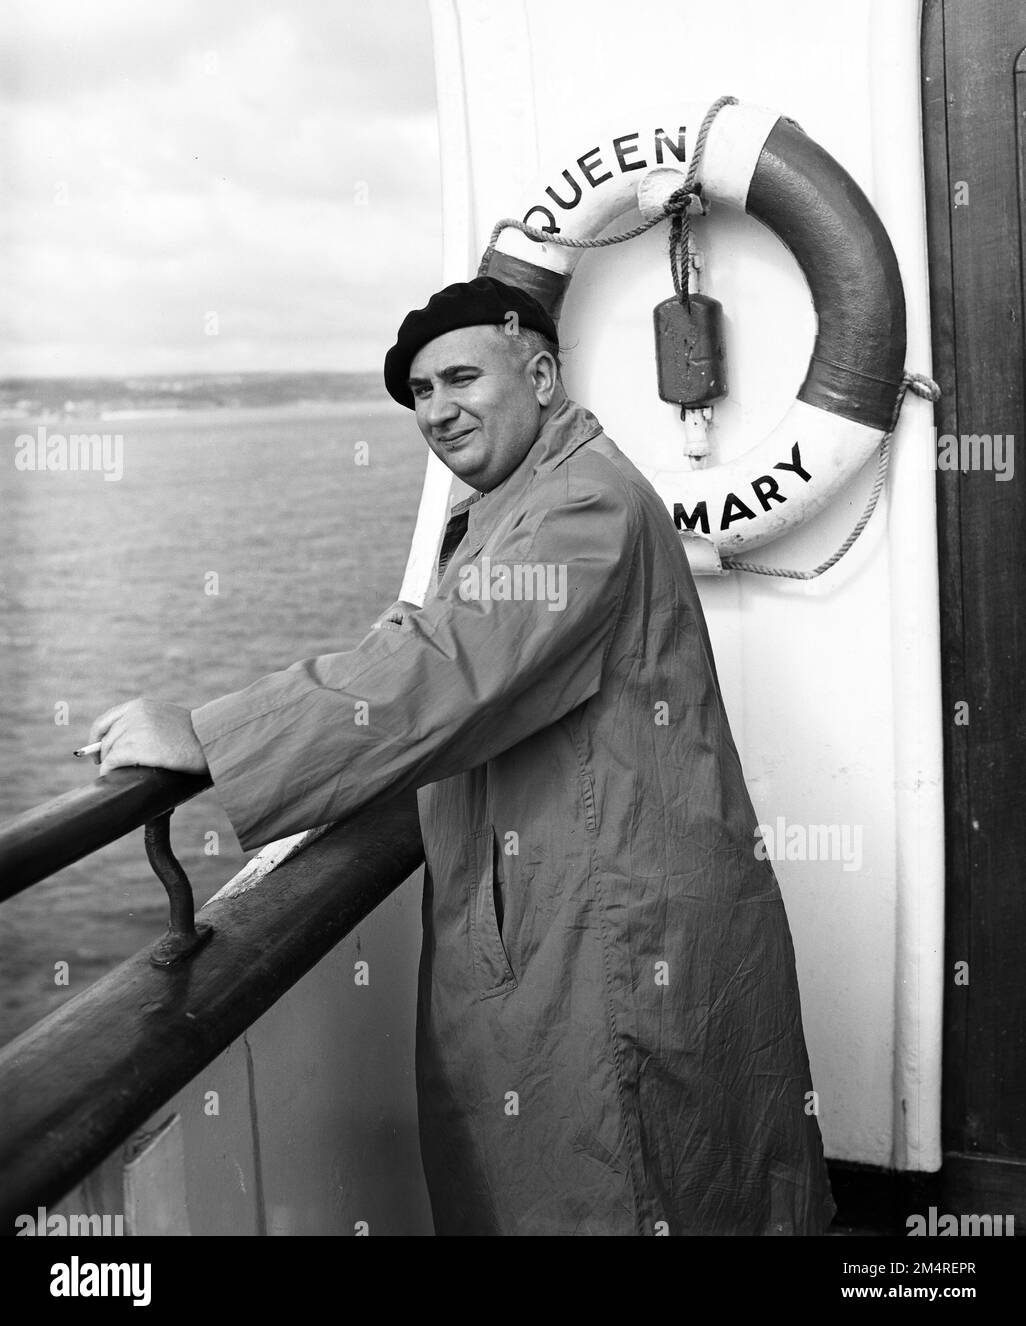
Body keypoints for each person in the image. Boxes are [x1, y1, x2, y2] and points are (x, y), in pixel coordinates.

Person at [89, 276, 836, 1236]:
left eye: (459, 378)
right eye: (420, 395)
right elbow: (447, 643)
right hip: (582, 904)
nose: (437, 410)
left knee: (627, 1186)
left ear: (539, 371)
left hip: (618, 925)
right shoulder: (524, 504)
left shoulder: (581, 509)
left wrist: (210, 739)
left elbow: (451, 664)